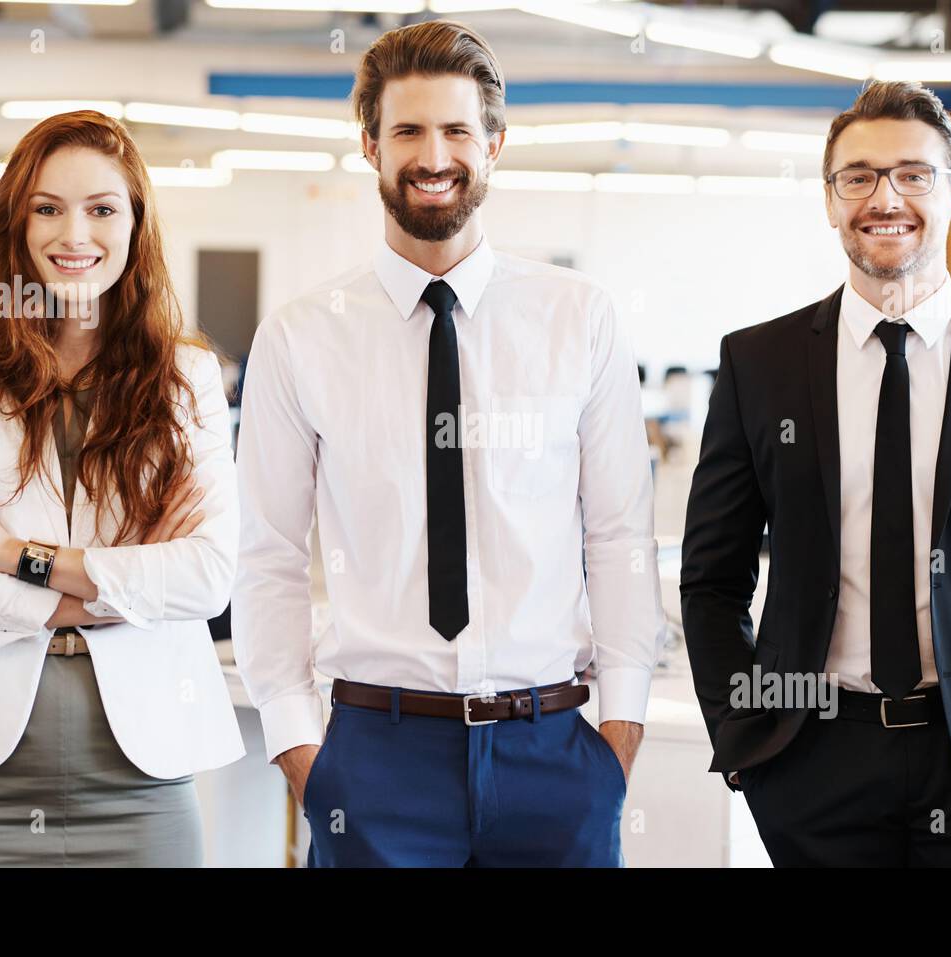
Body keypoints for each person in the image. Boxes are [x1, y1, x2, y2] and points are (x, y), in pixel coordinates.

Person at [233, 18, 664, 867]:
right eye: (408, 131)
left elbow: (619, 537)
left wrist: (618, 738)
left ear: (494, 144)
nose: (435, 156)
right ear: (370, 145)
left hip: (553, 750)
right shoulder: (299, 337)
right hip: (374, 755)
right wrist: (301, 754)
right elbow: (267, 555)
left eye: (458, 130)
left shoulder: (580, 319)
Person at [680, 80, 951, 867]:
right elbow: (711, 579)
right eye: (859, 176)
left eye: (914, 174)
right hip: (812, 762)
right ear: (830, 199)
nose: (886, 197)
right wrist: (745, 738)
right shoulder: (759, 363)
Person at [0, 110, 244, 867]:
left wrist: (8, 550)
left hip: (142, 775)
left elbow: (206, 576)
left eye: (101, 209)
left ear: (135, 225)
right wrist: (110, 593)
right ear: (18, 221)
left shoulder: (187, 379)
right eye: (48, 208)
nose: (74, 235)